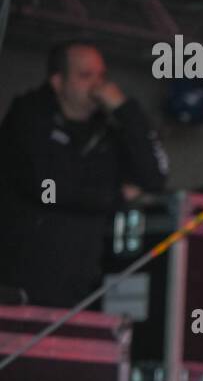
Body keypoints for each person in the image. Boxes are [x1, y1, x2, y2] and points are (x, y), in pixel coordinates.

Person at [0, 40, 168, 308]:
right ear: (58, 82)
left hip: (82, 286)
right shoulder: (29, 115)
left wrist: (127, 111)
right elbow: (47, 189)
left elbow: (154, 179)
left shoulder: (108, 129)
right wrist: (115, 196)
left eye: (101, 76)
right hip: (19, 283)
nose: (97, 86)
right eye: (85, 76)